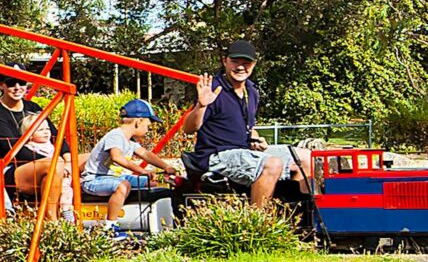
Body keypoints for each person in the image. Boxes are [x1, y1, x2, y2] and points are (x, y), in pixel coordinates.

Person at [181, 39, 310, 209]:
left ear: (254, 64)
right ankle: (256, 225)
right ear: (224, 61)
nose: (240, 67)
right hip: (217, 154)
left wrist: (257, 140)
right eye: (235, 61)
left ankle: (302, 215)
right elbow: (189, 129)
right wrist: (201, 106)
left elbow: (248, 128)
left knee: (307, 157)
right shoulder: (213, 89)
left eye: (246, 63)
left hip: (244, 150)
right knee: (272, 163)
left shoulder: (251, 91)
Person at [0, 69, 69, 216]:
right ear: (1, 85)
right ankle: (51, 218)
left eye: (21, 82)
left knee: (86, 158)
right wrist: (54, 161)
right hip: (11, 168)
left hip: (44, 160)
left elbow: (55, 135)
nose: (17, 87)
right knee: (55, 165)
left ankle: (109, 220)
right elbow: (13, 150)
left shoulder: (32, 107)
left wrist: (68, 158)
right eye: (10, 83)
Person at [80, 99, 180, 221]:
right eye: (148, 126)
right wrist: (141, 170)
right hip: (94, 179)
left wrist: (166, 167)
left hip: (113, 178)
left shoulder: (130, 140)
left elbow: (145, 154)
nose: (148, 130)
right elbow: (116, 157)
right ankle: (111, 225)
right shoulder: (116, 136)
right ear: (138, 122)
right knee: (123, 186)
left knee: (150, 183)